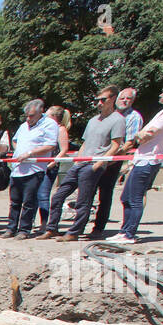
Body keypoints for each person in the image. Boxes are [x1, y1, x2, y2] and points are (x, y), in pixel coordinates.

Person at [37, 86, 124, 241]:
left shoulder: (118, 120)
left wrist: (99, 163)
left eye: (103, 100)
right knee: (58, 196)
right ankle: (52, 229)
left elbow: (116, 145)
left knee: (83, 200)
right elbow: (85, 143)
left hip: (94, 164)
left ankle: (74, 232)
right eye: (97, 100)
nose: (99, 103)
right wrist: (78, 160)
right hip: (80, 163)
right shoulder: (92, 120)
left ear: (113, 99)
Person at [117, 80, 163, 244]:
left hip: (149, 159)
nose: (161, 95)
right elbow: (142, 134)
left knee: (135, 199)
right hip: (141, 157)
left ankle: (129, 233)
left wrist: (139, 135)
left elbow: (146, 134)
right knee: (126, 197)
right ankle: (124, 231)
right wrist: (140, 135)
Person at [1, 100, 59, 239]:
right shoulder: (23, 126)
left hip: (34, 169)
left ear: (41, 112)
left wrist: (29, 153)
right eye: (26, 116)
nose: (28, 119)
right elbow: (15, 140)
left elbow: (50, 145)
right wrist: (19, 151)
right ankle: (11, 228)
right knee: (14, 201)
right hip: (18, 169)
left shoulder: (50, 124)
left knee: (29, 201)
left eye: (31, 116)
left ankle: (24, 230)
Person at [90, 87, 144, 237]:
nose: (125, 101)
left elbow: (129, 143)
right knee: (89, 192)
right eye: (122, 98)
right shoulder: (107, 115)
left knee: (105, 194)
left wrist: (111, 159)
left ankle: (98, 227)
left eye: (128, 98)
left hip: (113, 161)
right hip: (97, 157)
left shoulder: (134, 117)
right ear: (116, 99)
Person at [36, 105, 72, 231]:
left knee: (43, 195)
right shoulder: (46, 128)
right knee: (36, 195)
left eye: (47, 115)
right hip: (39, 165)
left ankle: (46, 223)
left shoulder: (61, 130)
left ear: (54, 117)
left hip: (50, 167)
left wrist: (52, 163)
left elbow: (64, 150)